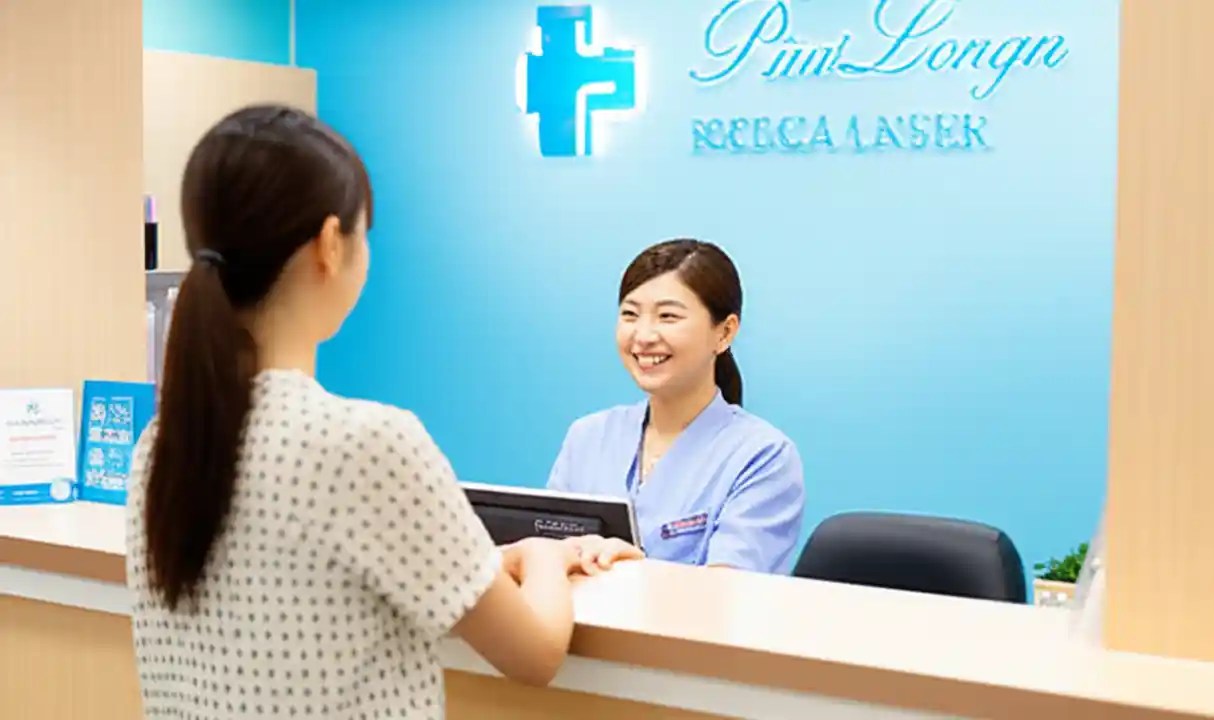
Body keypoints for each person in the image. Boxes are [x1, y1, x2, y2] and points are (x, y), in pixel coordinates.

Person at [125, 105, 583, 719]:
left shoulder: (160, 446)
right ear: (329, 245)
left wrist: (499, 561)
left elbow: (301, 581)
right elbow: (536, 654)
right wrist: (550, 556)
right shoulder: (364, 443)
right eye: (364, 234)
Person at [548, 239, 805, 575]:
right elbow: (543, 558)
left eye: (668, 316)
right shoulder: (588, 436)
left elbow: (729, 595)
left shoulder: (763, 457)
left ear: (724, 333)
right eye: (630, 314)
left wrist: (633, 570)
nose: (642, 336)